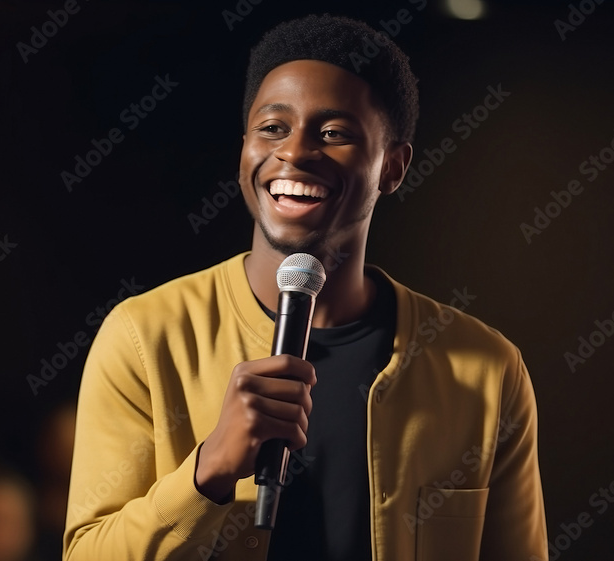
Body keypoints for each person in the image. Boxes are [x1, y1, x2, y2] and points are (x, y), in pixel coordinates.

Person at [63, 14, 547, 561]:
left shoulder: (488, 368)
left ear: (393, 166)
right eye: (272, 128)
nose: (294, 152)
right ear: (243, 147)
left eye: (334, 133)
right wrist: (209, 469)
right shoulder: (143, 338)